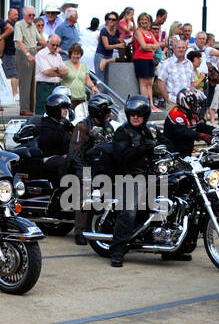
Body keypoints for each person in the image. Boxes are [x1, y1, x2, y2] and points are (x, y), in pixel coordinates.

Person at [108, 94, 163, 268]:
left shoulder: (150, 130)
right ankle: (117, 251)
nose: (135, 117)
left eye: (139, 114)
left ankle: (173, 248)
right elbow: (121, 156)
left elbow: (165, 142)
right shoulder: (122, 132)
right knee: (129, 212)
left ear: (145, 115)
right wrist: (142, 148)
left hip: (149, 175)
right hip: (128, 177)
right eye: (132, 114)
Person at [70, 92, 117, 245]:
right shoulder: (83, 127)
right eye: (107, 110)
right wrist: (85, 172)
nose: (109, 113)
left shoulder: (108, 126)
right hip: (86, 168)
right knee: (85, 192)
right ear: (99, 110)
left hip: (105, 168)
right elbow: (75, 154)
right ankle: (80, 231)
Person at [163, 87, 215, 156]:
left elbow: (201, 127)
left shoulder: (190, 114)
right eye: (196, 103)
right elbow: (184, 132)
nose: (198, 105)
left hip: (186, 153)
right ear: (187, 102)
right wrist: (202, 136)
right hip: (174, 155)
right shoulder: (176, 114)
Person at [58, 43, 99, 113]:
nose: (76, 56)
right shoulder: (64, 64)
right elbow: (59, 77)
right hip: (68, 98)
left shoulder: (84, 65)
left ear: (81, 55)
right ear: (70, 54)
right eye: (74, 54)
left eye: (78, 54)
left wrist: (93, 87)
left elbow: (87, 79)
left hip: (81, 98)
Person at [157, 37, 196, 106]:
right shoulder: (167, 63)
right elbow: (160, 81)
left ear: (186, 49)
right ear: (174, 49)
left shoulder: (189, 63)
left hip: (188, 102)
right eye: (179, 47)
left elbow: (192, 83)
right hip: (173, 101)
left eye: (183, 48)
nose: (181, 49)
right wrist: (167, 98)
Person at [15, 5, 40, 114]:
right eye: (30, 15)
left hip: (33, 52)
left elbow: (39, 39)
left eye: (33, 15)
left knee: (31, 82)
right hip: (24, 53)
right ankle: (24, 108)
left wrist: (51, 45)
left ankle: (30, 107)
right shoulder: (19, 24)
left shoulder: (33, 25)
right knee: (25, 82)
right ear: (24, 15)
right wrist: (28, 54)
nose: (32, 17)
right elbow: (19, 42)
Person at [34, 35, 66, 111]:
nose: (55, 47)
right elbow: (46, 72)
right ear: (48, 43)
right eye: (53, 45)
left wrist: (54, 69)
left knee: (55, 111)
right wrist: (59, 71)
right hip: (44, 87)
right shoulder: (41, 54)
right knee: (42, 111)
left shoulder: (58, 56)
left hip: (56, 87)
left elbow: (66, 71)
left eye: (57, 45)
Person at [132, 12, 158, 101]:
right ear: (139, 21)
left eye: (146, 19)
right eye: (142, 19)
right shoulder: (138, 32)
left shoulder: (150, 33)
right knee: (143, 83)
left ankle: (151, 103)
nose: (144, 21)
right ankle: (145, 102)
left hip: (150, 59)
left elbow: (157, 45)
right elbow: (143, 46)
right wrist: (151, 47)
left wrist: (149, 47)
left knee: (150, 83)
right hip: (140, 59)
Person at [1, 7, 19, 102]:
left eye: (17, 14)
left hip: (15, 53)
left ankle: (14, 93)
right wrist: (0, 53)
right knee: (13, 74)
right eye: (15, 14)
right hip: (8, 53)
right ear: (9, 15)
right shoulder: (6, 25)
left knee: (15, 74)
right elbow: (2, 40)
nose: (17, 16)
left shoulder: (16, 25)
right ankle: (15, 93)